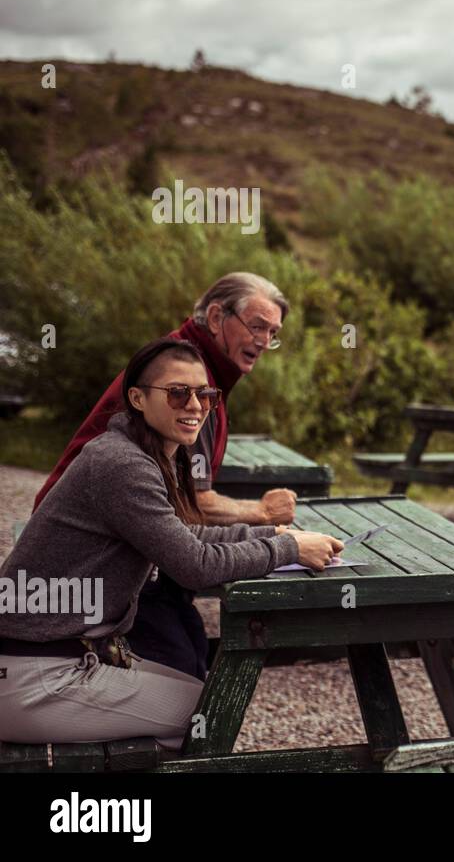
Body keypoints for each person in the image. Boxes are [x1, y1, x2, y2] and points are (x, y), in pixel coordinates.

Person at [0, 338, 342, 748]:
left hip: (63, 660)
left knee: (208, 698)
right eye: (178, 393)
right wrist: (288, 551)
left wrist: (273, 533)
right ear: (138, 398)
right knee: (211, 715)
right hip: (36, 675)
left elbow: (183, 537)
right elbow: (193, 564)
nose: (195, 405)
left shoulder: (140, 453)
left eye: (205, 394)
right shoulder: (121, 464)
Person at [31, 273, 298, 680]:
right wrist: (263, 517)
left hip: (122, 546)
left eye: (273, 332)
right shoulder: (189, 375)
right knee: (190, 682)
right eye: (256, 325)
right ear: (215, 316)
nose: (264, 340)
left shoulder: (190, 371)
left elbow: (184, 520)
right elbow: (194, 515)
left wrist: (274, 539)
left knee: (193, 653)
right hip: (93, 561)